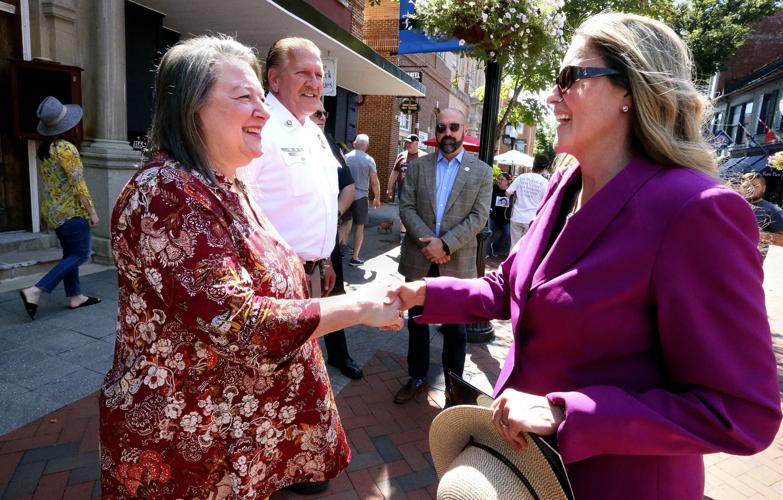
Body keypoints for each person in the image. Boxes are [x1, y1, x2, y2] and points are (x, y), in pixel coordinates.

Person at [388, 13, 781, 499]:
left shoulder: (694, 211)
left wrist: (568, 412)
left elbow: (742, 413)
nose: (551, 96)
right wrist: (423, 292)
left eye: (569, 78)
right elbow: (512, 285)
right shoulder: (565, 183)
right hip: (527, 470)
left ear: (631, 90)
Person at [100, 35, 402, 499]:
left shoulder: (227, 183)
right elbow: (240, 322)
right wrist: (359, 306)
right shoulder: (166, 194)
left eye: (261, 98)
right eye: (244, 97)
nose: (263, 111)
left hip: (233, 433)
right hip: (187, 443)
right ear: (190, 107)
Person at [393, 108, 493, 405]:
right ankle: (418, 376)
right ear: (435, 131)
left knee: (455, 330)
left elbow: (479, 217)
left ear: (464, 129)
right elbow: (406, 206)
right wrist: (430, 243)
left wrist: (445, 245)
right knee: (417, 323)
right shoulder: (418, 166)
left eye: (453, 127)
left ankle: (454, 388)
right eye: (441, 127)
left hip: (457, 262)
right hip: (420, 256)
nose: (447, 133)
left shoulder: (481, 171)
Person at [19, 96, 101, 320]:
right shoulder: (66, 149)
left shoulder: (45, 149)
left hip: (54, 212)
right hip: (71, 213)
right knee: (81, 254)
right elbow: (79, 185)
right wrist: (92, 212)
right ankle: (35, 290)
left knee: (70, 253)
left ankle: (75, 296)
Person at [311, 105, 364, 380]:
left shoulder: (329, 145)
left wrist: (333, 214)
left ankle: (339, 355)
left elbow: (349, 187)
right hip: (292, 241)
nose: (321, 117)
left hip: (326, 237)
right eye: (316, 113)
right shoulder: (279, 140)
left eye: (323, 113)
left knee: (333, 295)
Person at [340, 134, 381, 267]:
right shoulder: (369, 160)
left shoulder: (345, 157)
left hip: (345, 195)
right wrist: (377, 197)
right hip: (361, 197)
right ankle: (355, 257)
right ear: (367, 147)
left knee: (344, 223)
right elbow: (374, 181)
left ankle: (341, 250)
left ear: (354, 144)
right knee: (359, 227)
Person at [504, 153, 549, 249]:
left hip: (516, 216)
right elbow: (546, 201)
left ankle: (511, 263)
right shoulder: (545, 183)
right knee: (527, 248)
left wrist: (516, 196)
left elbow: (508, 193)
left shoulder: (521, 177)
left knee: (514, 246)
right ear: (544, 168)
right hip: (532, 219)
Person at [388, 134, 423, 242]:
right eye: (406, 142)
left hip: (419, 192)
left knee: (417, 213)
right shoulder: (401, 156)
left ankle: (414, 234)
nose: (407, 144)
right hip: (402, 191)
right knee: (404, 213)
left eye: (410, 143)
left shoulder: (424, 157)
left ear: (417, 143)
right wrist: (389, 188)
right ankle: (403, 236)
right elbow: (394, 173)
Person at [741, 172, 783, 259]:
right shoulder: (732, 204)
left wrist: (755, 234)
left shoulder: (773, 210)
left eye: (755, 186)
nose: (750, 189)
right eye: (746, 186)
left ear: (764, 188)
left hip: (750, 264)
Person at [486, 172, 512, 258]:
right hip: (493, 217)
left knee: (508, 234)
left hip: (505, 220)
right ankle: (487, 252)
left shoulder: (511, 191)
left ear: (508, 181)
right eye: (498, 179)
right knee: (487, 231)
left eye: (502, 179)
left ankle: (495, 247)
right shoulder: (493, 188)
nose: (499, 181)